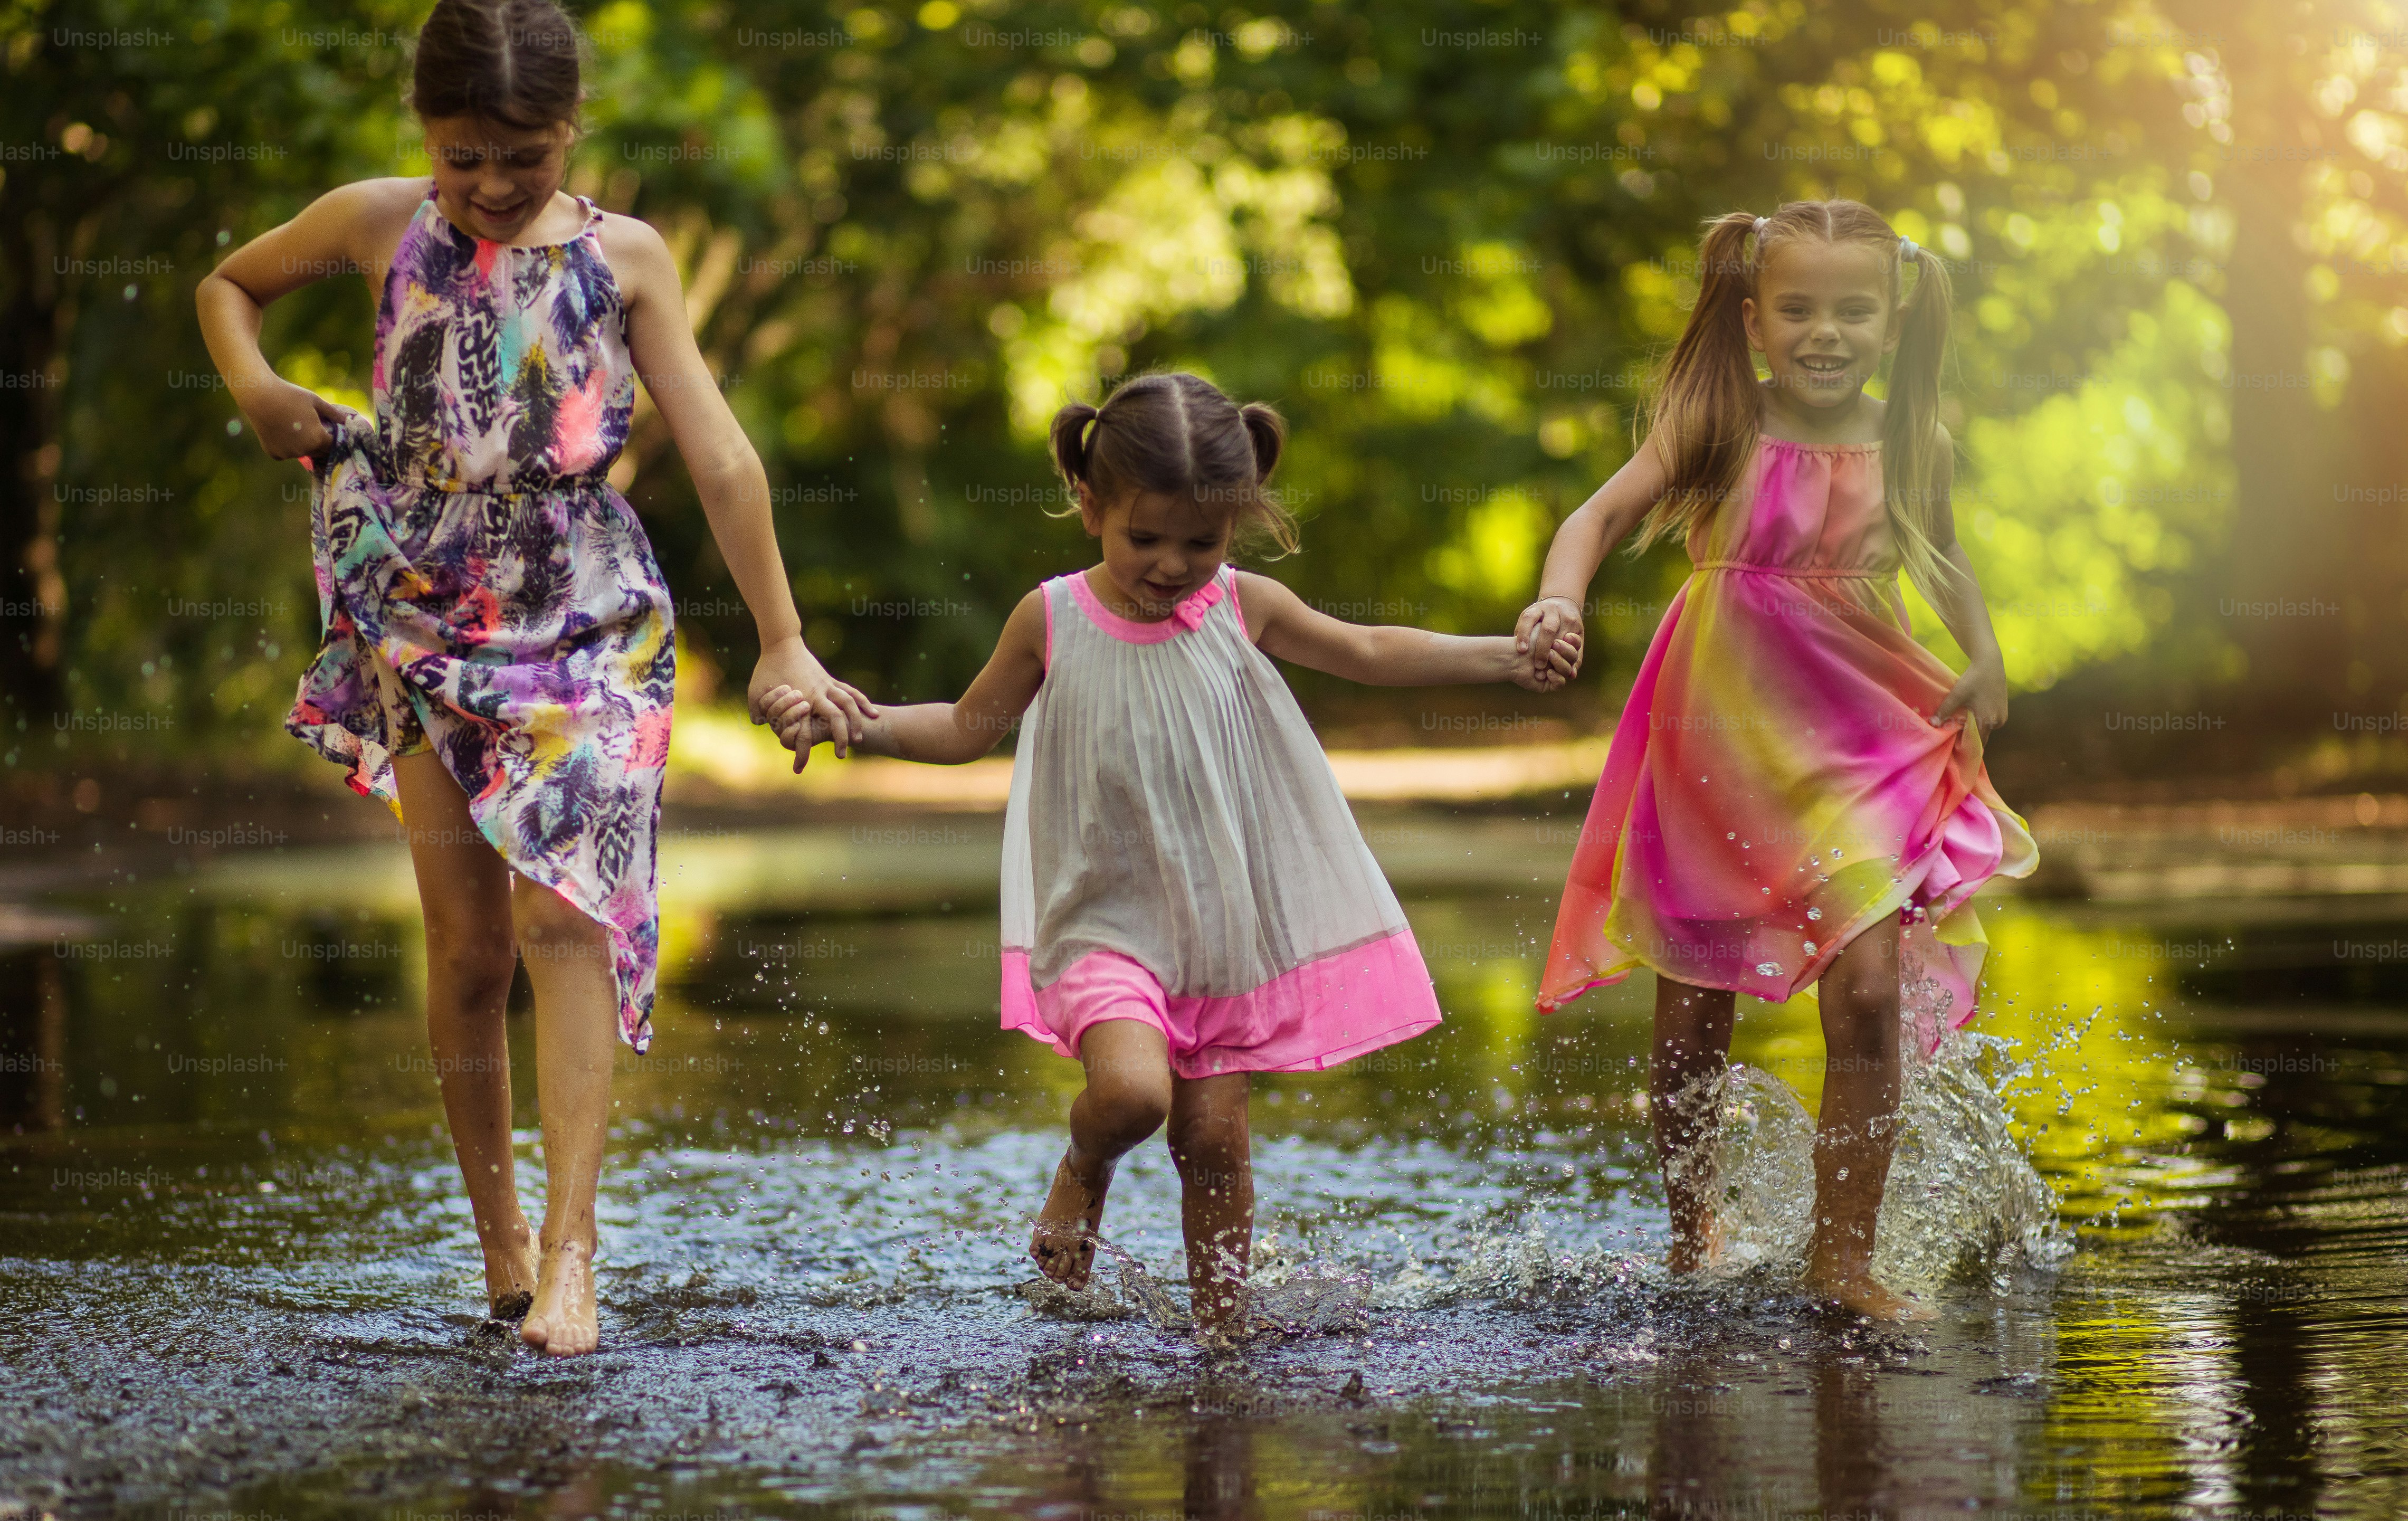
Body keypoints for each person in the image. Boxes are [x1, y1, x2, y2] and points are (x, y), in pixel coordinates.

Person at [194, 0, 873, 1356]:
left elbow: (722, 455)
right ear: (424, 131)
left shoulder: (629, 257)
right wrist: (257, 388)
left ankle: (572, 1251)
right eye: (464, 157)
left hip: (587, 619)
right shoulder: (378, 221)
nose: (495, 185)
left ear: (572, 128)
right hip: (421, 606)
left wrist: (782, 636)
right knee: (468, 950)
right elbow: (226, 286)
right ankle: (499, 1235)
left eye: (526, 155)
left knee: (567, 917)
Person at [760, 371, 1573, 1333]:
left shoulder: (1241, 605)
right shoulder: (1052, 617)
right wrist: (857, 723)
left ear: (1236, 524)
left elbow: (1365, 650)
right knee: (1133, 1096)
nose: (1172, 565)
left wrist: (1505, 656)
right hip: (1101, 922)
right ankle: (1086, 1162)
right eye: (1145, 538)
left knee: (1215, 1139)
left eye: (1202, 541)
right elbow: (963, 728)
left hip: (1220, 928)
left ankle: (1222, 1334)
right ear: (1091, 506)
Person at [1517, 201, 2038, 1321]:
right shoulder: (1717, 425)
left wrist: (1985, 652)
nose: (1825, 332)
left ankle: (1841, 1259)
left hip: (1862, 735)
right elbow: (1594, 518)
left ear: (1891, 320)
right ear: (1754, 320)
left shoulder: (1912, 439)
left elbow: (1942, 553)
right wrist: (1559, 601)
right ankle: (1691, 1233)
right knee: (1689, 1018)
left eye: (1853, 310)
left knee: (1866, 989)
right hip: (1717, 744)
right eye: (1797, 308)